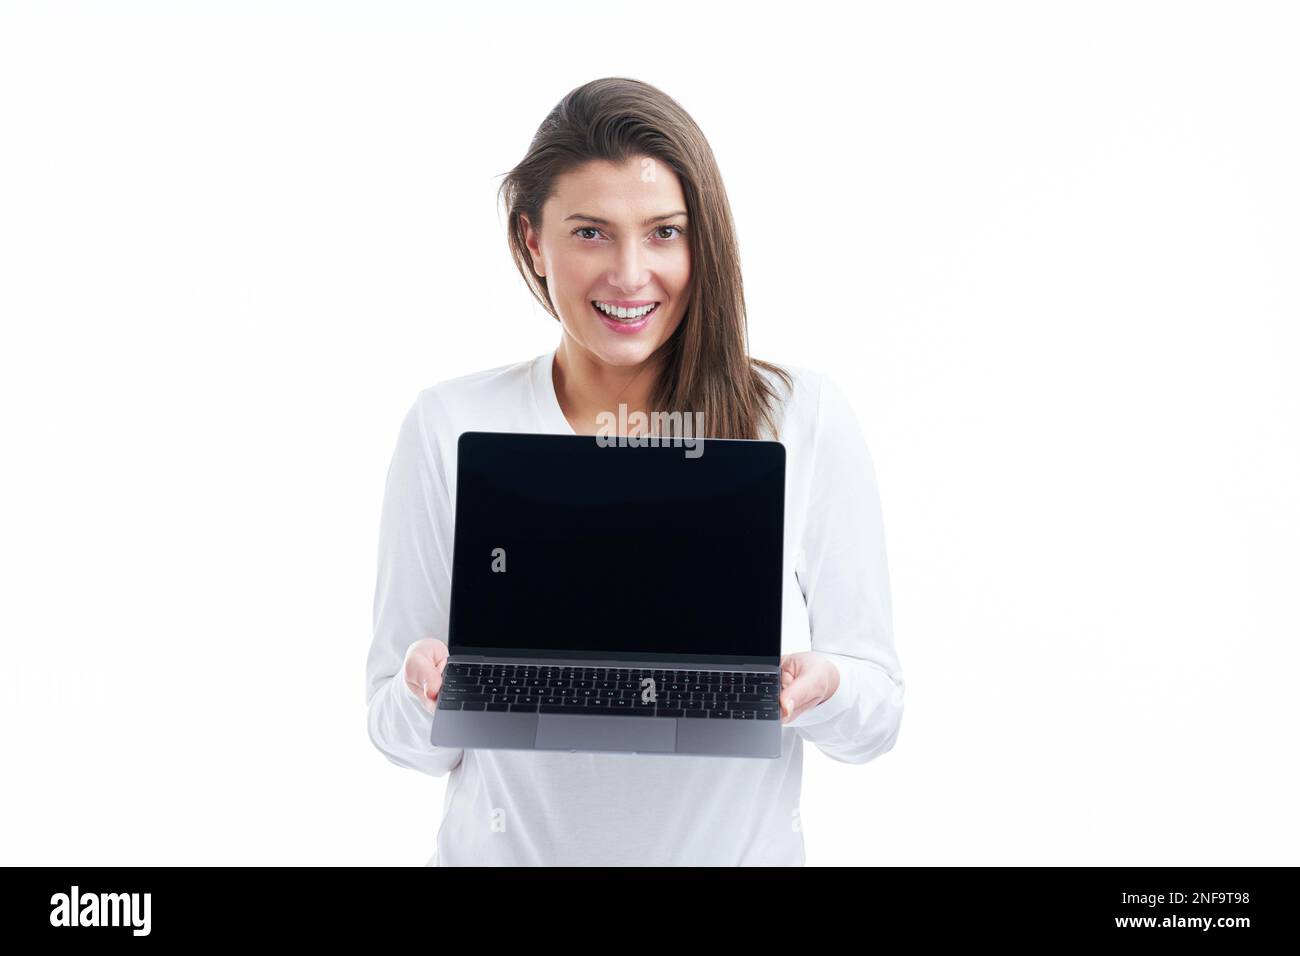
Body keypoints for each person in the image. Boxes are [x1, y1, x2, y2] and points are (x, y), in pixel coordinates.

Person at [364, 77, 905, 866]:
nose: (628, 273)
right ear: (531, 243)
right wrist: (428, 694)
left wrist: (822, 689)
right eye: (589, 232)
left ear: (702, 242)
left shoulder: (800, 415)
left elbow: (877, 718)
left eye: (663, 232)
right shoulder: (447, 424)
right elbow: (398, 736)